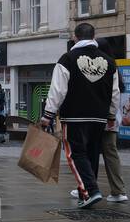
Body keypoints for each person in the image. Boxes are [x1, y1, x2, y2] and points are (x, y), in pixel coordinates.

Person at [40, 23, 120, 209]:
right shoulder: (109, 61)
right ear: (94, 36)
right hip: (99, 116)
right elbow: (114, 92)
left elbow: (58, 90)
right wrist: (111, 115)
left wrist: (48, 114)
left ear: (75, 37)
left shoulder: (67, 59)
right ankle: (86, 192)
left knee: (75, 154)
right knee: (91, 154)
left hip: (74, 115)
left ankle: (91, 191)